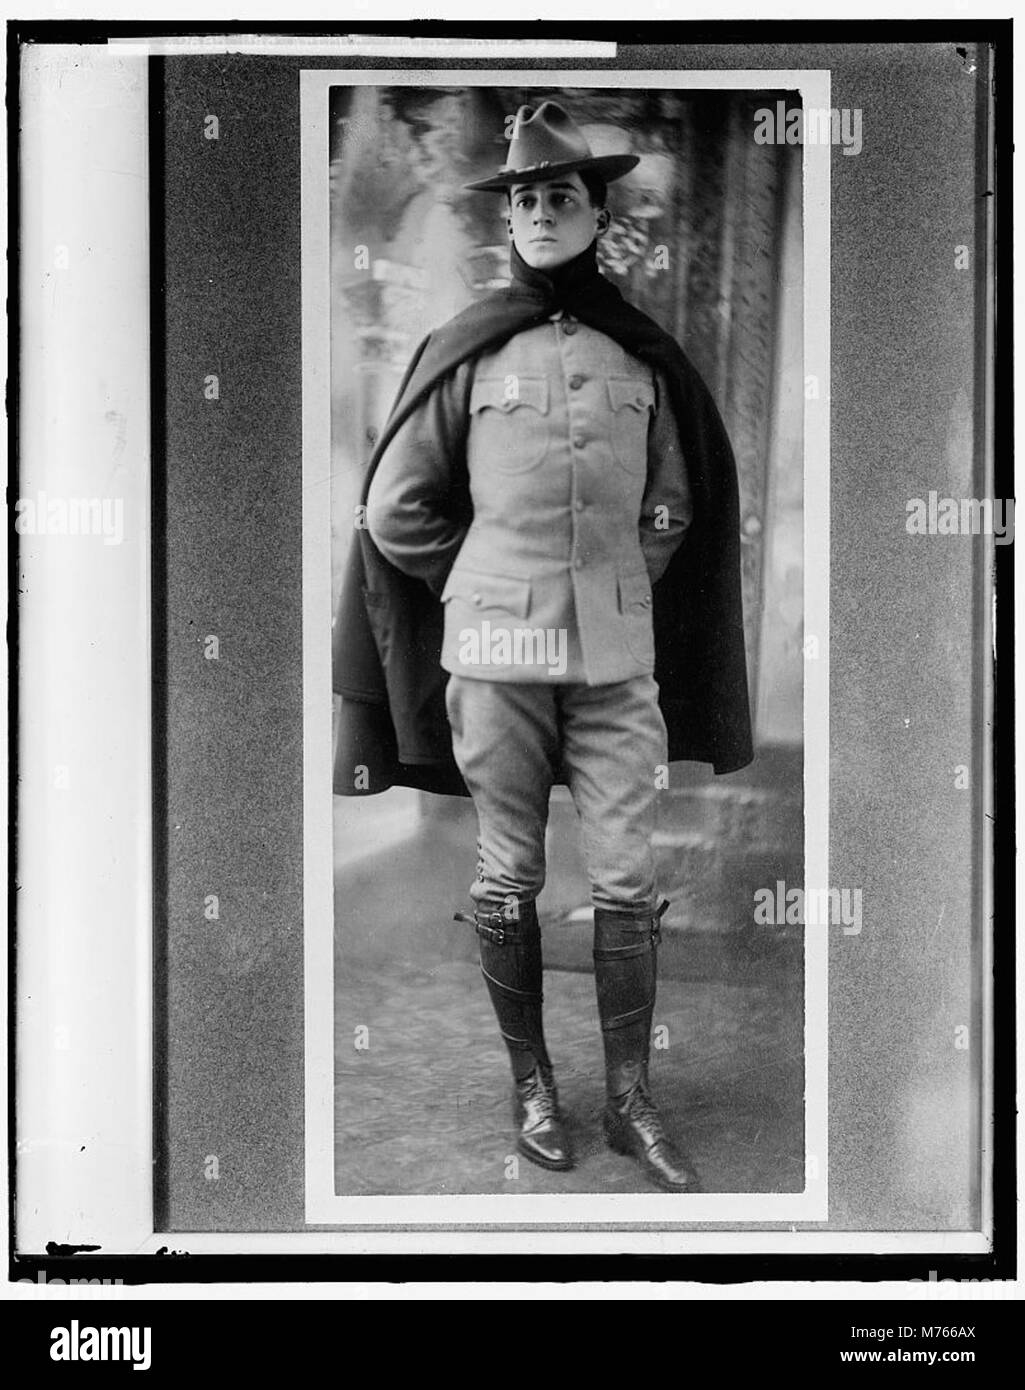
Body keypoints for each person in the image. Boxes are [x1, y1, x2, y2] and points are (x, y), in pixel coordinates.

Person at [333, 101, 753, 1192]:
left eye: (557, 194)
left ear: (595, 213)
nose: (536, 212)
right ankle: (532, 1088)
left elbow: (672, 509)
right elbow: (394, 509)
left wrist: (614, 588)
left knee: (626, 872)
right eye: (521, 197)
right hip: (495, 660)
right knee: (508, 870)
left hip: (615, 664)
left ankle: (626, 1099)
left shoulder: (640, 354)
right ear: (506, 217)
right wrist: (482, 589)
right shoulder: (465, 349)